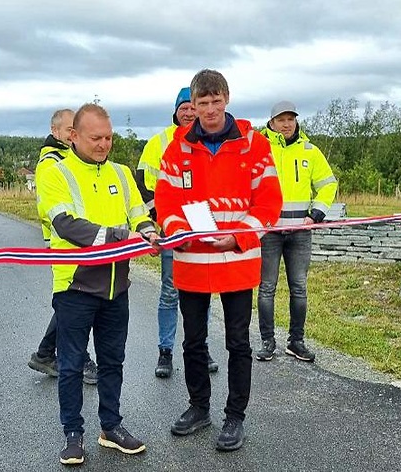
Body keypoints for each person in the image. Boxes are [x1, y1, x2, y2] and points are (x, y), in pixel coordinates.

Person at [155, 69, 282, 451]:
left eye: (216, 101)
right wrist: (180, 230)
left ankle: (235, 416)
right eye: (202, 103)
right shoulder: (176, 149)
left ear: (227, 98)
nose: (209, 110)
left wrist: (239, 236)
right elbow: (166, 201)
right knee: (194, 342)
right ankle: (198, 407)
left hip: (238, 261)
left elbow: (269, 201)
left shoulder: (253, 144)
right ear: (191, 105)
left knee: (237, 343)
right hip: (192, 263)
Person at [37, 103, 158, 465]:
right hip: (74, 286)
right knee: (72, 364)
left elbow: (139, 214)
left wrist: (149, 233)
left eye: (108, 137)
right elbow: (65, 224)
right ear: (73, 136)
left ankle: (112, 427)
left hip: (116, 286)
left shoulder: (121, 174)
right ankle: (73, 434)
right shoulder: (54, 173)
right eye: (96, 138)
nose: (104, 144)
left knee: (112, 360)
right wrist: (121, 237)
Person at [135, 87, 219, 378]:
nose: (188, 112)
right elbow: (144, 184)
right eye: (183, 107)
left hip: (203, 229)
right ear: (176, 111)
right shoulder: (159, 142)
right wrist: (162, 218)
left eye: (192, 107)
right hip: (172, 230)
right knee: (170, 292)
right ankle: (165, 351)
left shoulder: (210, 140)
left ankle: (202, 347)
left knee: (204, 291)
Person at [255, 101, 337, 363]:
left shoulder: (310, 151)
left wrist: (315, 214)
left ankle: (296, 342)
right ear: (271, 123)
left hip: (300, 232)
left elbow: (328, 184)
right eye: (282, 119)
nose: (287, 124)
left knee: (299, 288)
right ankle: (268, 341)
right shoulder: (260, 149)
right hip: (268, 232)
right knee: (267, 288)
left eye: (291, 119)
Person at [27, 108, 98, 385]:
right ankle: (78, 359)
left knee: (73, 299)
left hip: (79, 240)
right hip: (66, 242)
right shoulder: (51, 164)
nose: (72, 134)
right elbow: (51, 210)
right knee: (75, 300)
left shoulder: (68, 157)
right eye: (69, 129)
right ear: (55, 131)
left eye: (75, 129)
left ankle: (46, 353)